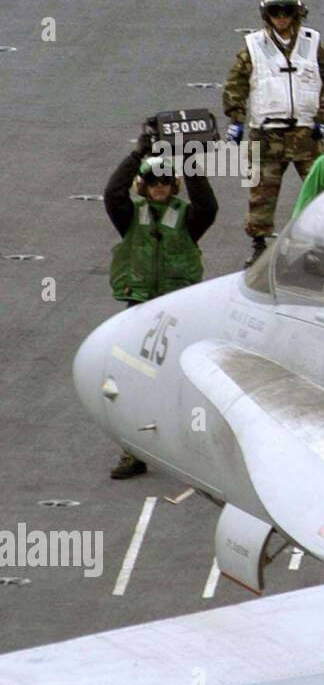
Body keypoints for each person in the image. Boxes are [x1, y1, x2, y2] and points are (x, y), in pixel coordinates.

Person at [102, 120, 217, 478]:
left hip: (178, 310)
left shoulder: (189, 218)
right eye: (152, 181)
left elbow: (208, 204)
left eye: (166, 180)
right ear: (143, 184)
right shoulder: (128, 216)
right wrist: (137, 153)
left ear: (174, 183)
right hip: (140, 308)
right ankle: (132, 451)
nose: (159, 187)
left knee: (183, 380)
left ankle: (191, 447)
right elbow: (112, 194)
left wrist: (189, 157)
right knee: (131, 382)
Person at [223, 0, 324, 265]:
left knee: (323, 188)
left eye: (287, 11)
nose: (282, 17)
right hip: (266, 133)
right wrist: (236, 119)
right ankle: (259, 245)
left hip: (305, 132)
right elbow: (235, 85)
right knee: (261, 192)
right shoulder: (252, 46)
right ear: (267, 14)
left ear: (297, 13)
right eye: (275, 12)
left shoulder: (313, 44)